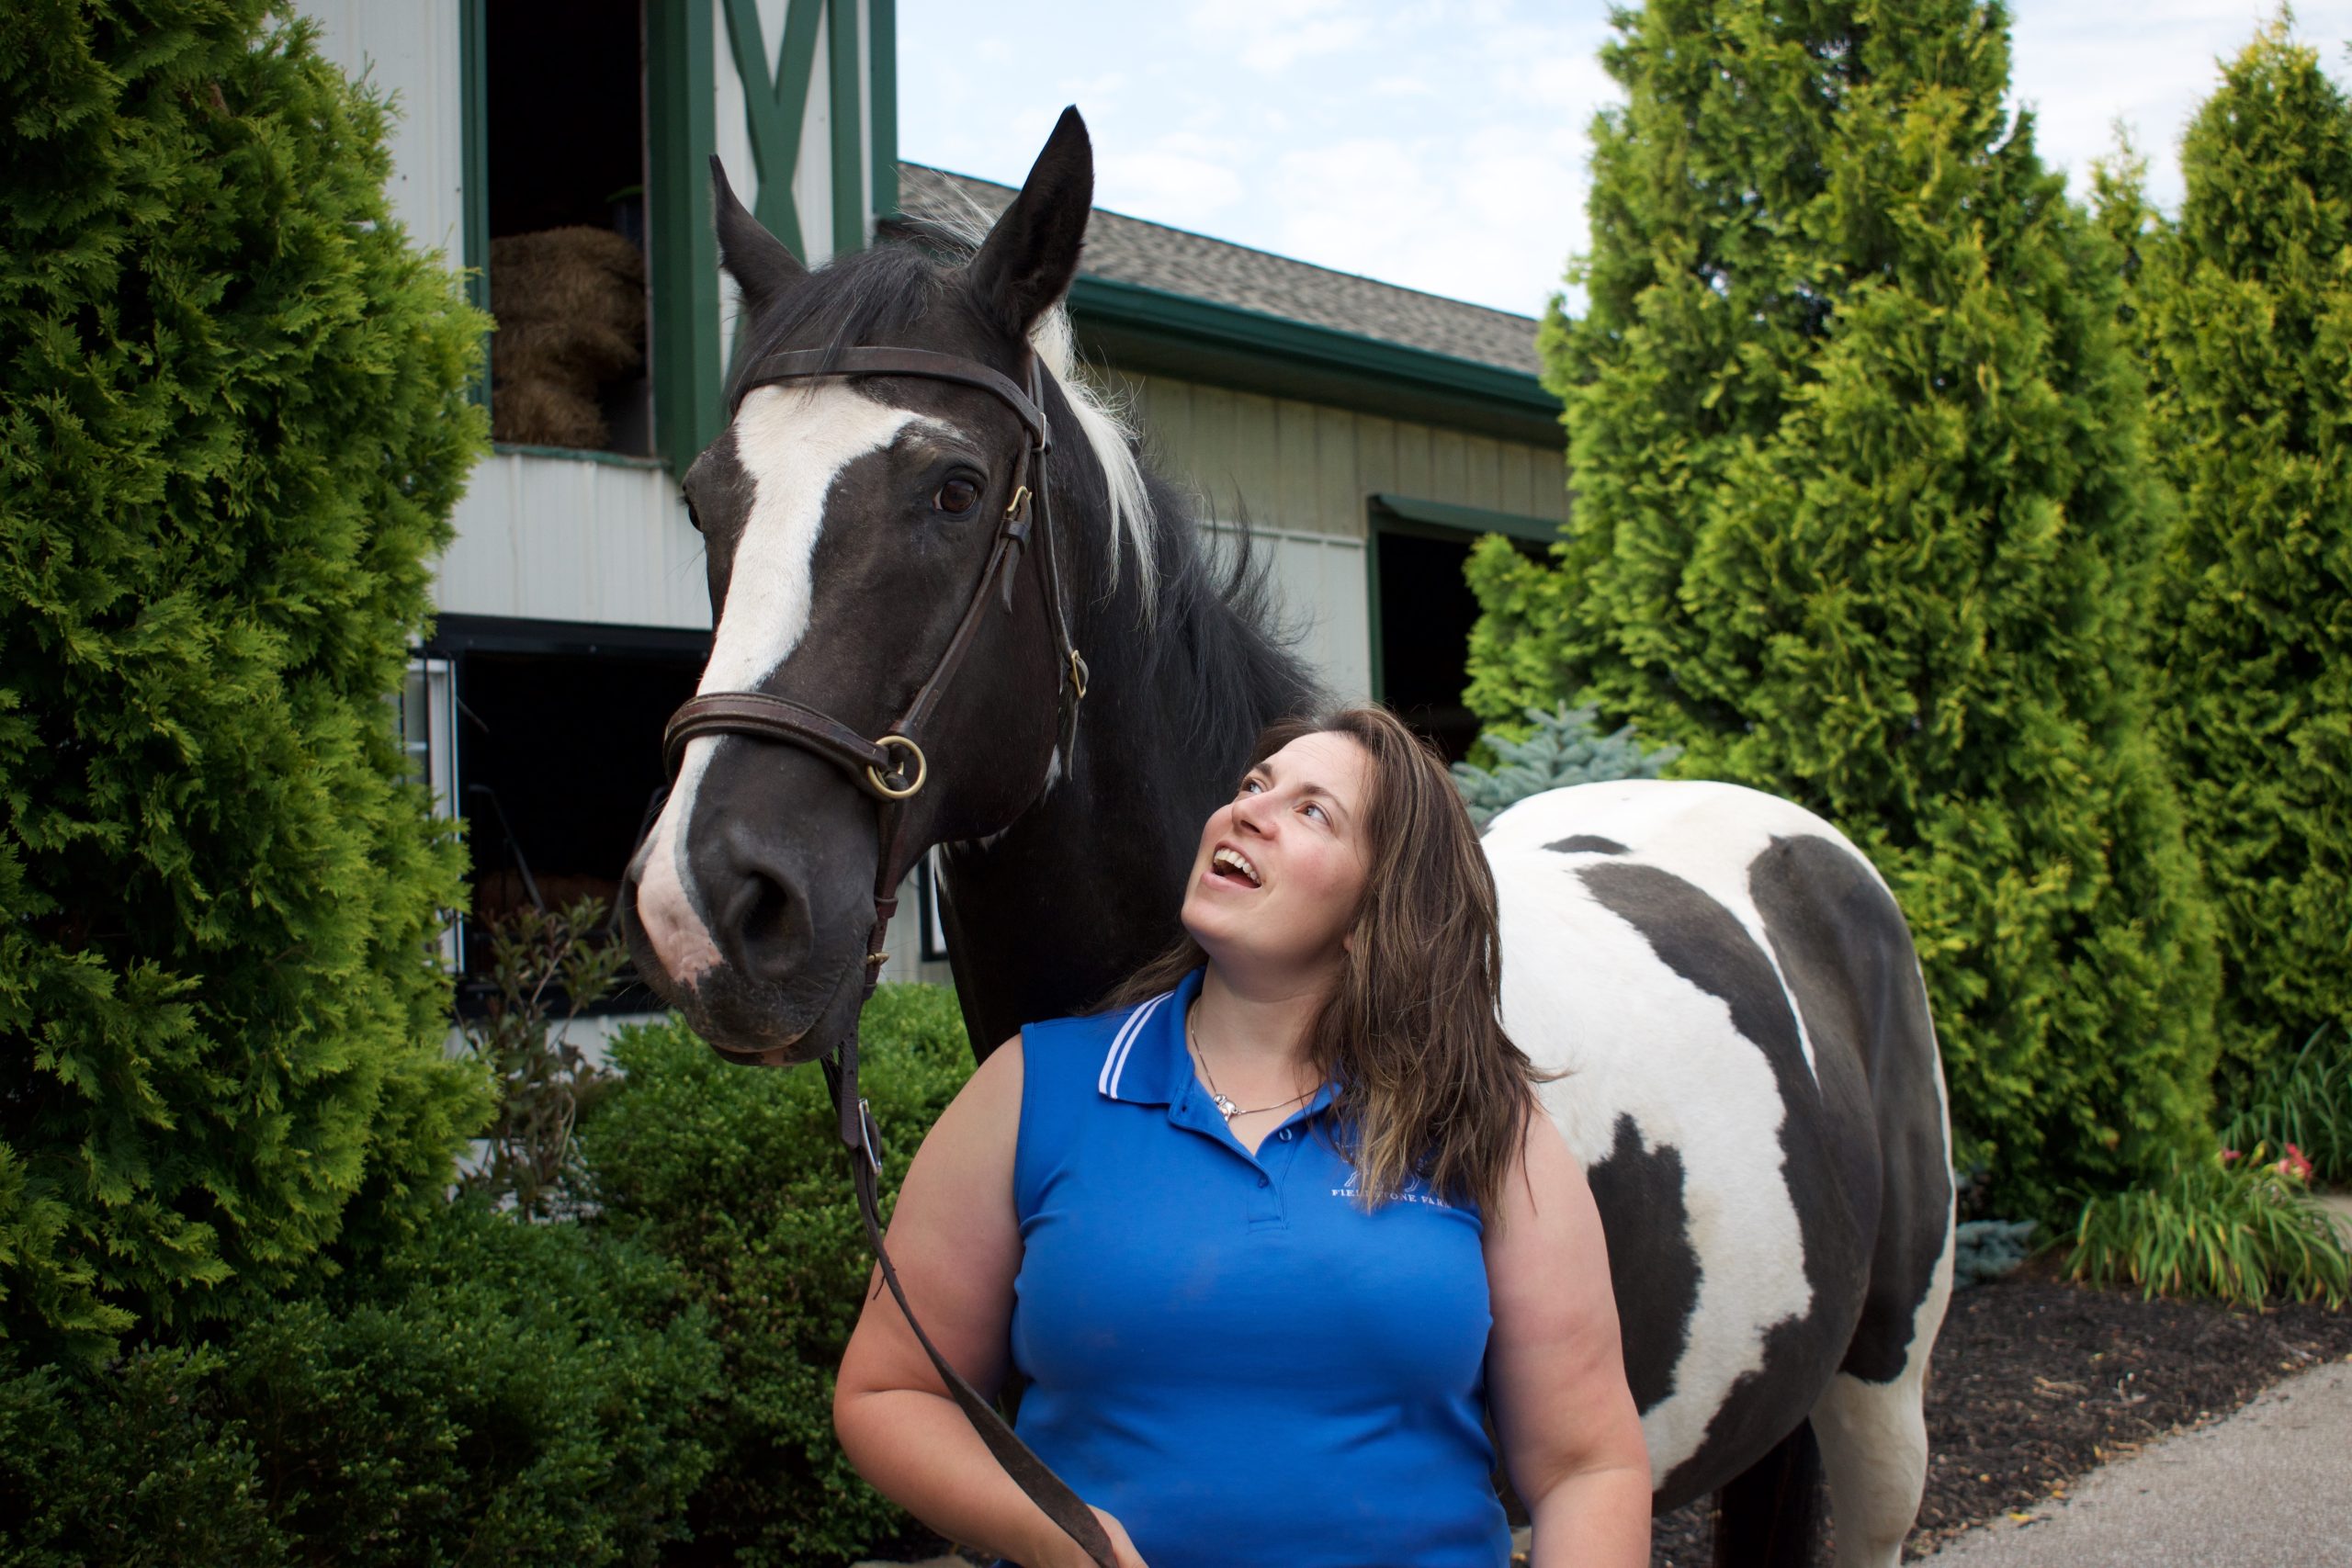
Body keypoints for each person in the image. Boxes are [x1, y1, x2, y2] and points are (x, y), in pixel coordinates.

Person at [834, 706, 1650, 1568]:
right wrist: (1057, 1533)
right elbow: (891, 1390)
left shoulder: (1481, 1121)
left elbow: (1586, 1465)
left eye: (1312, 810)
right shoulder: (1035, 1087)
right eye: (1252, 785)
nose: (1248, 809)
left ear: (1384, 902)